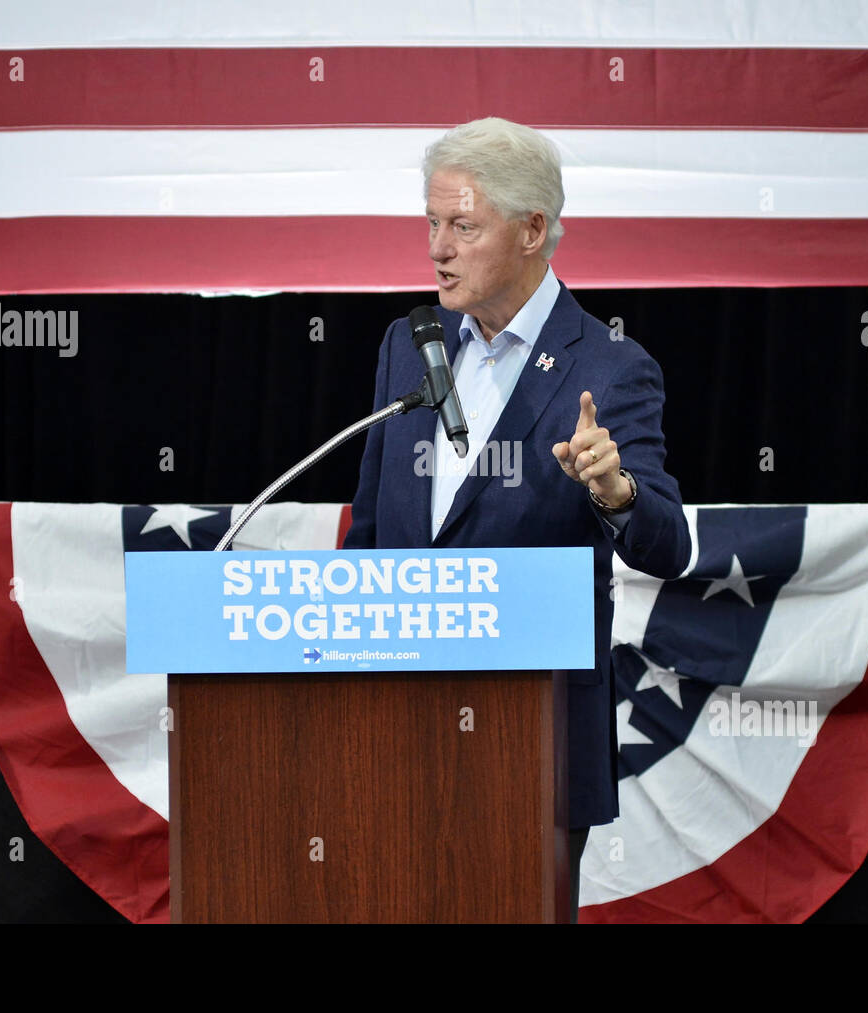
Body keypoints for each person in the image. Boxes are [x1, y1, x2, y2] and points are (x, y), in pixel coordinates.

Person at [343, 117, 690, 921]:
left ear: (534, 229)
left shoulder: (608, 365)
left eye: (463, 226)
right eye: (431, 223)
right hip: (393, 731)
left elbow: (667, 542)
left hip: (526, 743)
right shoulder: (408, 345)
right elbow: (369, 529)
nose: (438, 248)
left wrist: (616, 492)